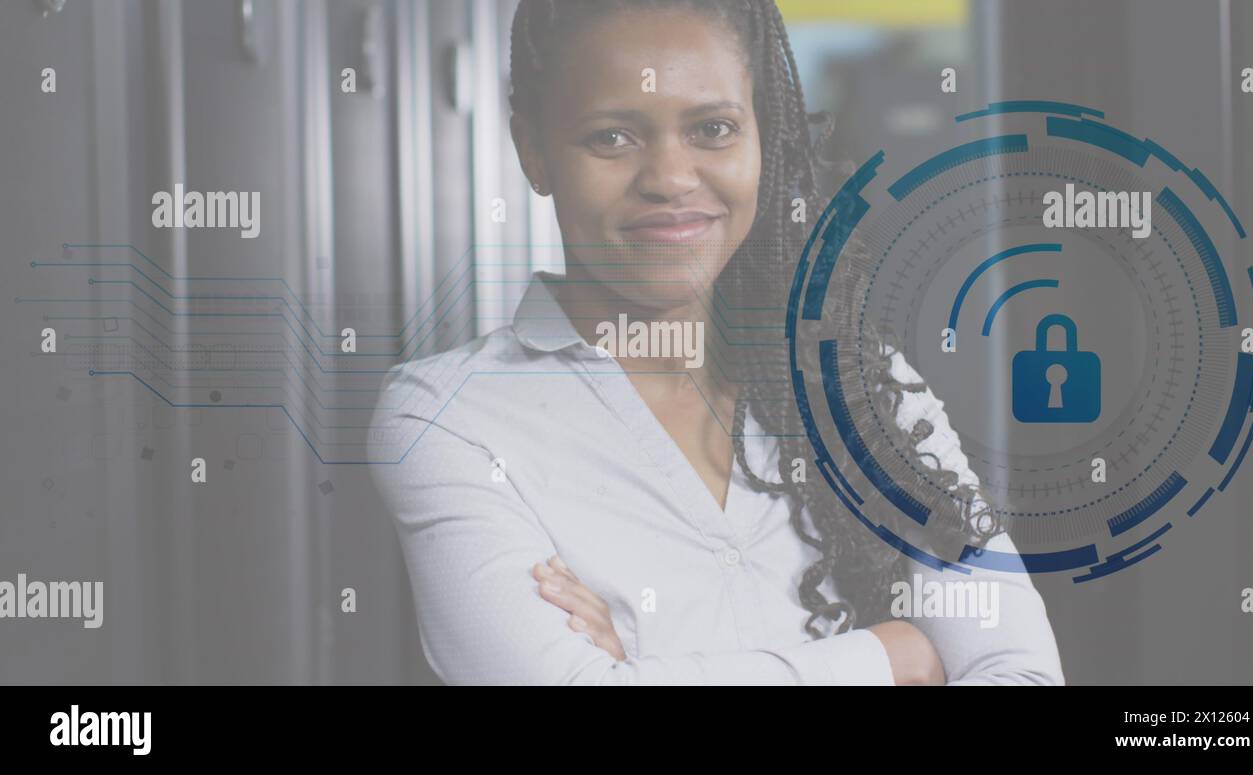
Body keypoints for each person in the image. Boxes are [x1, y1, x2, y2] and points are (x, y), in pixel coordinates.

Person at [368, 0, 1064, 685]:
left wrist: (644, 670)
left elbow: (1022, 674)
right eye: (612, 137)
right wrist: (892, 659)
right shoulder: (450, 416)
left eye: (713, 128)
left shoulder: (858, 381)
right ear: (533, 151)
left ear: (763, 137)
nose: (671, 179)